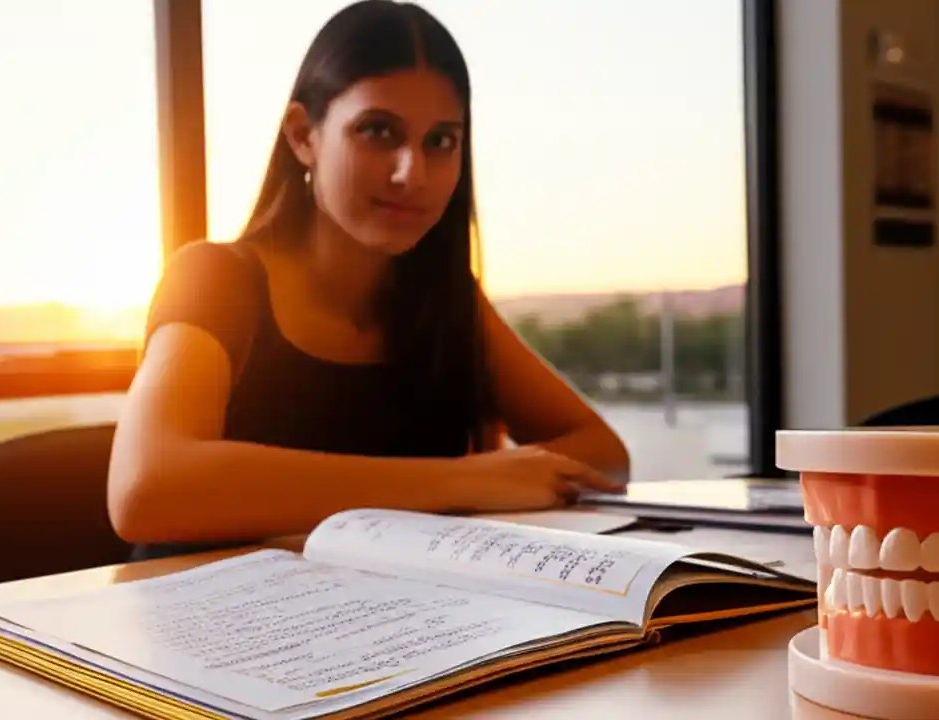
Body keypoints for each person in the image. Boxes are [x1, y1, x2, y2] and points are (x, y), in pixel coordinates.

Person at [108, 0, 630, 555]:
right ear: (303, 135)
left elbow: (603, 453)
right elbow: (147, 490)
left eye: (441, 141)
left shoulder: (442, 295)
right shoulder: (214, 277)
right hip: (208, 629)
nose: (413, 173)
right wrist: (462, 481)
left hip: (399, 630)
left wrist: (483, 479)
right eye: (379, 131)